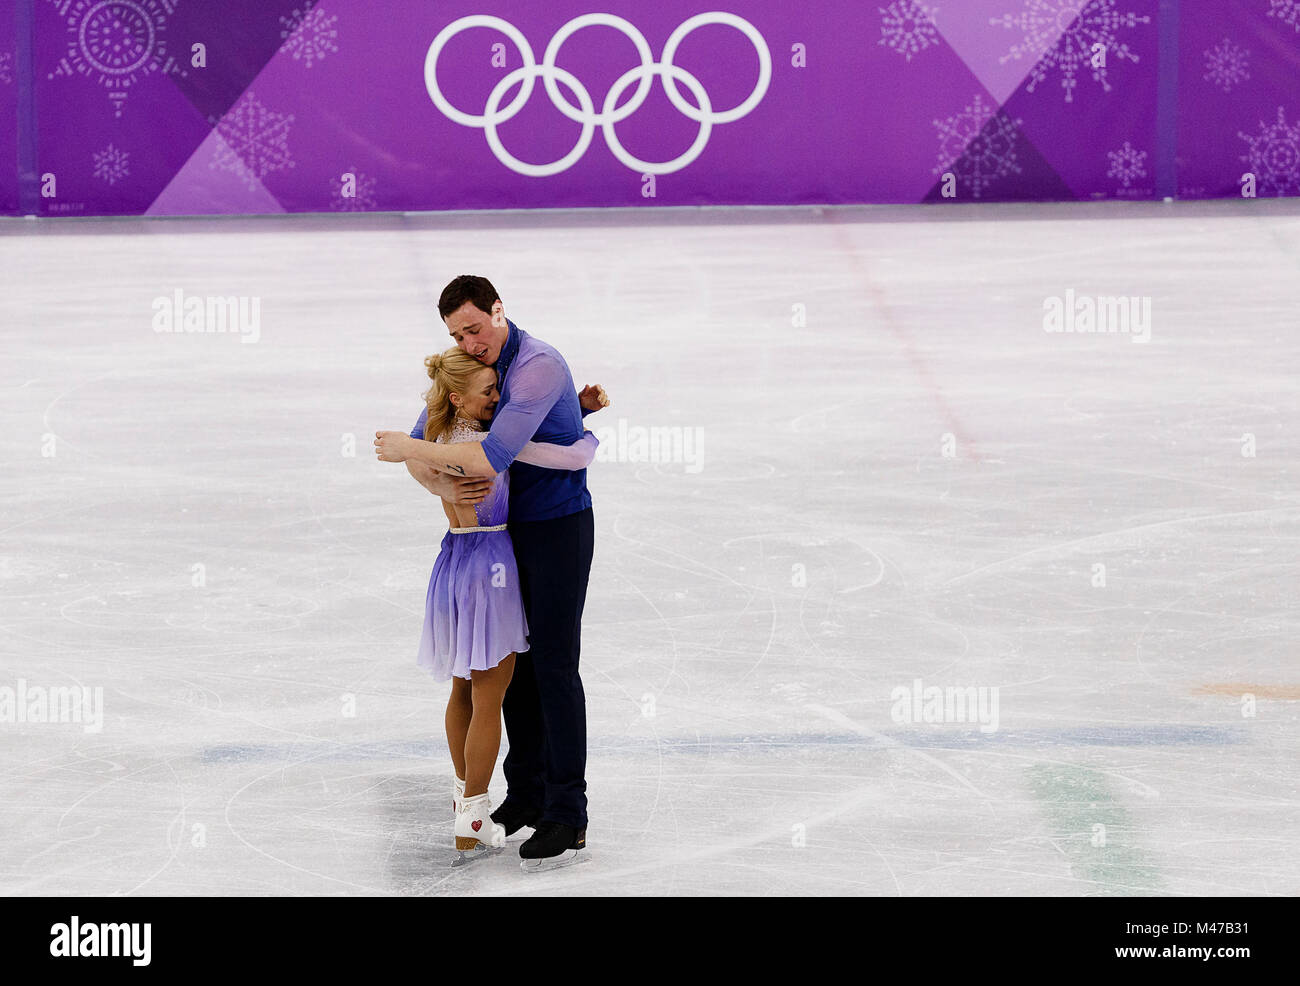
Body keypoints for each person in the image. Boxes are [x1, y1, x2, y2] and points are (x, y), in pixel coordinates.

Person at [374, 275, 606, 871]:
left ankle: (567, 812)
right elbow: (433, 437)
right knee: (514, 668)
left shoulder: (535, 367)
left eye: (475, 328)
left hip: (554, 530)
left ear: (499, 311)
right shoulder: (465, 372)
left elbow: (483, 453)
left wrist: (415, 451)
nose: (471, 342)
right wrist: (439, 479)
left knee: (553, 665)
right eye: (457, 334)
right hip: (500, 539)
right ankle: (524, 793)